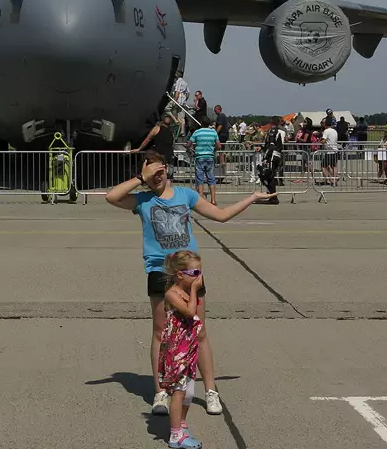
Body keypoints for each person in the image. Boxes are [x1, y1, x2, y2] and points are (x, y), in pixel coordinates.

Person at [105, 155, 274, 419]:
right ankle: (160, 391)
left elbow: (221, 215)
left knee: (199, 331)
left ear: (167, 169)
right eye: (150, 173)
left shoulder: (186, 195)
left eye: (159, 171)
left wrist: (251, 198)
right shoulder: (141, 200)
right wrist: (141, 178)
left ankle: (210, 391)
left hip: (190, 273)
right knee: (161, 332)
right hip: (159, 270)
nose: (155, 177)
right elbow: (111, 197)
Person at [159, 250, 205, 449]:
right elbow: (189, 311)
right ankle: (175, 434)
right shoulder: (172, 293)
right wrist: (194, 291)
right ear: (180, 274)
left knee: (188, 391)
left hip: (188, 348)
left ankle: (181, 424)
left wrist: (193, 290)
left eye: (200, 272)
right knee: (178, 391)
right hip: (177, 349)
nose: (199, 277)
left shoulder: (186, 291)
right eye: (195, 273)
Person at [134, 114, 177, 178]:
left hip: (162, 156)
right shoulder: (169, 131)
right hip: (168, 155)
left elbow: (147, 139)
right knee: (167, 176)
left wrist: (139, 148)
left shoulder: (158, 128)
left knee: (160, 175)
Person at [188, 118, 219, 205]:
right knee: (211, 178)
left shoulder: (197, 132)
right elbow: (219, 145)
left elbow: (189, 143)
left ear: (201, 123)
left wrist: (189, 150)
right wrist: (213, 150)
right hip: (210, 157)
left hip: (199, 157)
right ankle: (213, 199)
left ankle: (201, 198)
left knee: (200, 179)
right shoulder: (213, 132)